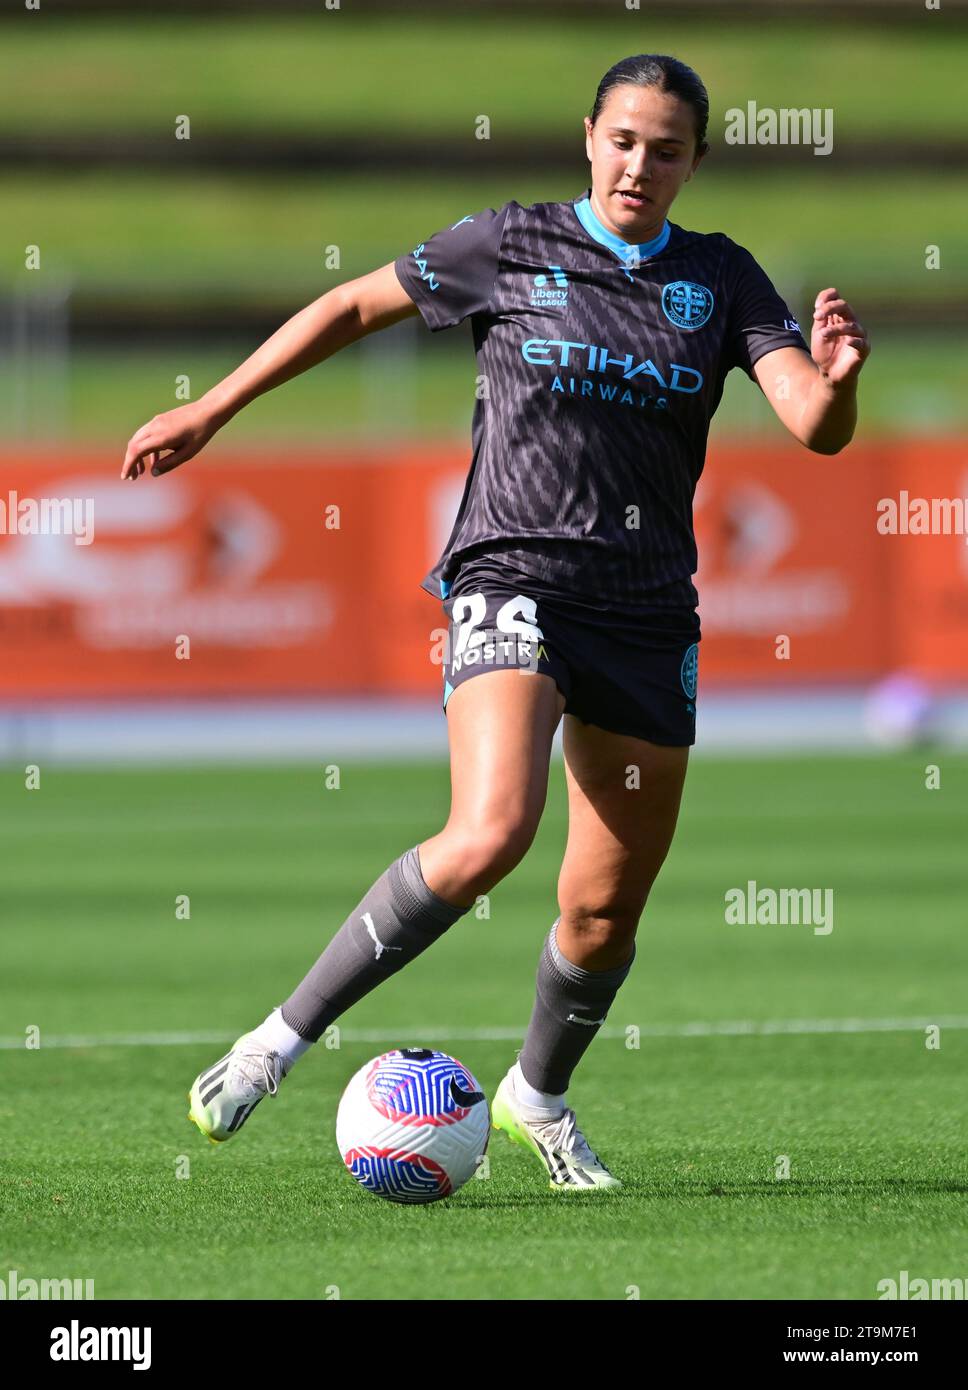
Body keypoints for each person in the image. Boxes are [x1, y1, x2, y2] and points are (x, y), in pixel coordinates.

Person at [122, 53, 870, 1189]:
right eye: (622, 140)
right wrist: (214, 406)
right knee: (489, 833)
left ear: (693, 163)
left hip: (644, 610)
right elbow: (349, 304)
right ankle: (274, 1044)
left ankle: (537, 1097)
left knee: (603, 909)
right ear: (587, 138)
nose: (639, 165)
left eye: (665, 149)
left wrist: (842, 375)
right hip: (511, 576)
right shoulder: (508, 243)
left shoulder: (719, 278)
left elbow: (812, 423)